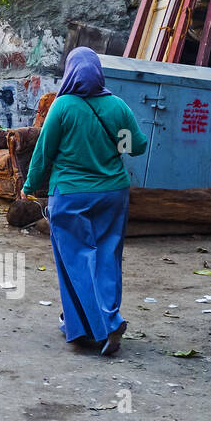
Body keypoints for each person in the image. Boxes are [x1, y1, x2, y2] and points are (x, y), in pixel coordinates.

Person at [21, 47, 148, 357]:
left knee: (77, 260)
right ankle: (94, 321)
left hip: (70, 195)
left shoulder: (63, 107)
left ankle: (100, 324)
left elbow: (44, 152)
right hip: (112, 194)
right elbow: (135, 147)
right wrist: (111, 147)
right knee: (107, 257)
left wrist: (29, 185)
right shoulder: (117, 106)